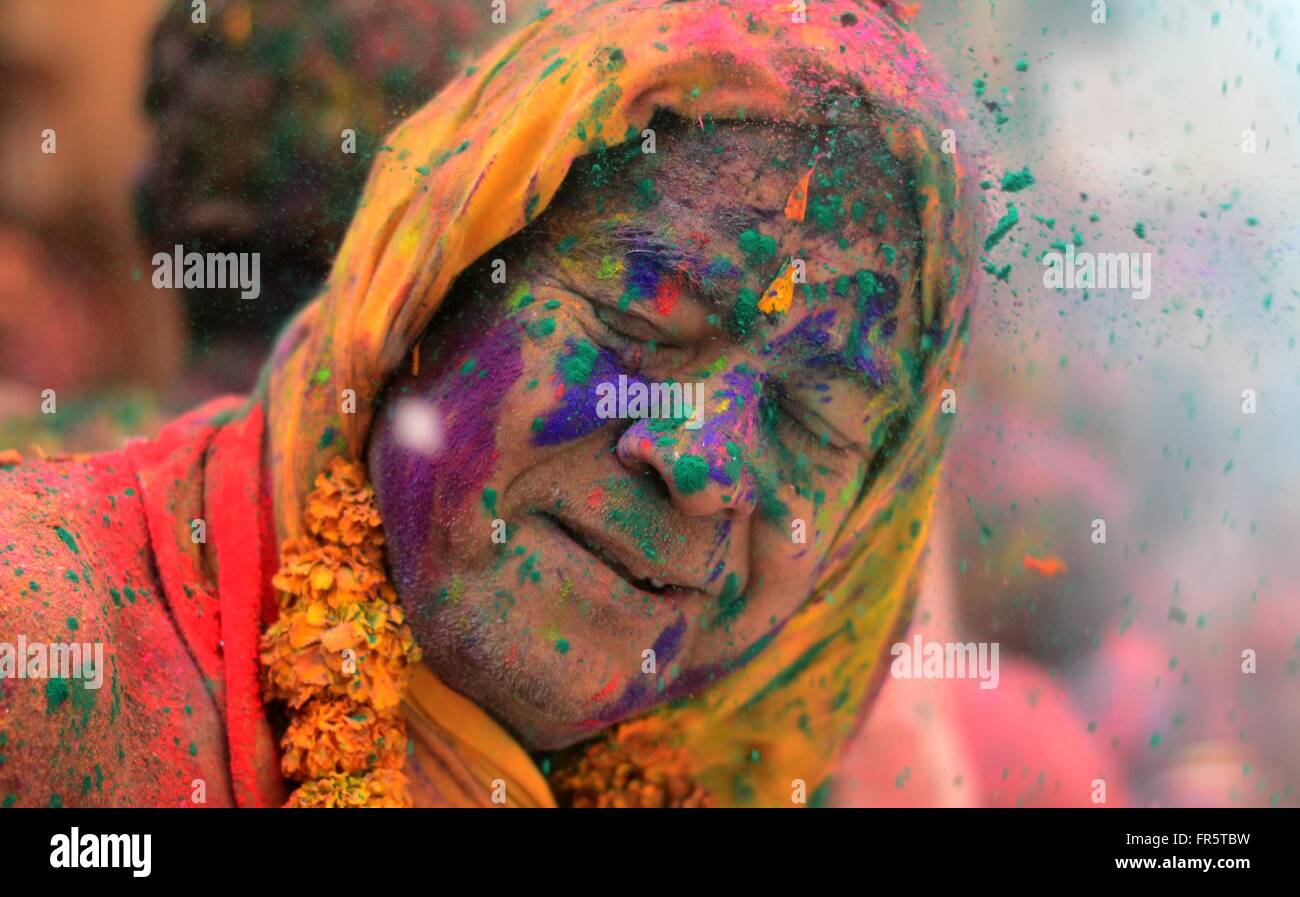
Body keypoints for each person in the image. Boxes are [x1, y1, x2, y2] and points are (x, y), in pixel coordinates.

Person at [0, 0, 981, 807]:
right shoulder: (46, 654)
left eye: (813, 420)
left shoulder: (788, 784)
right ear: (427, 288)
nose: (702, 462)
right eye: (637, 323)